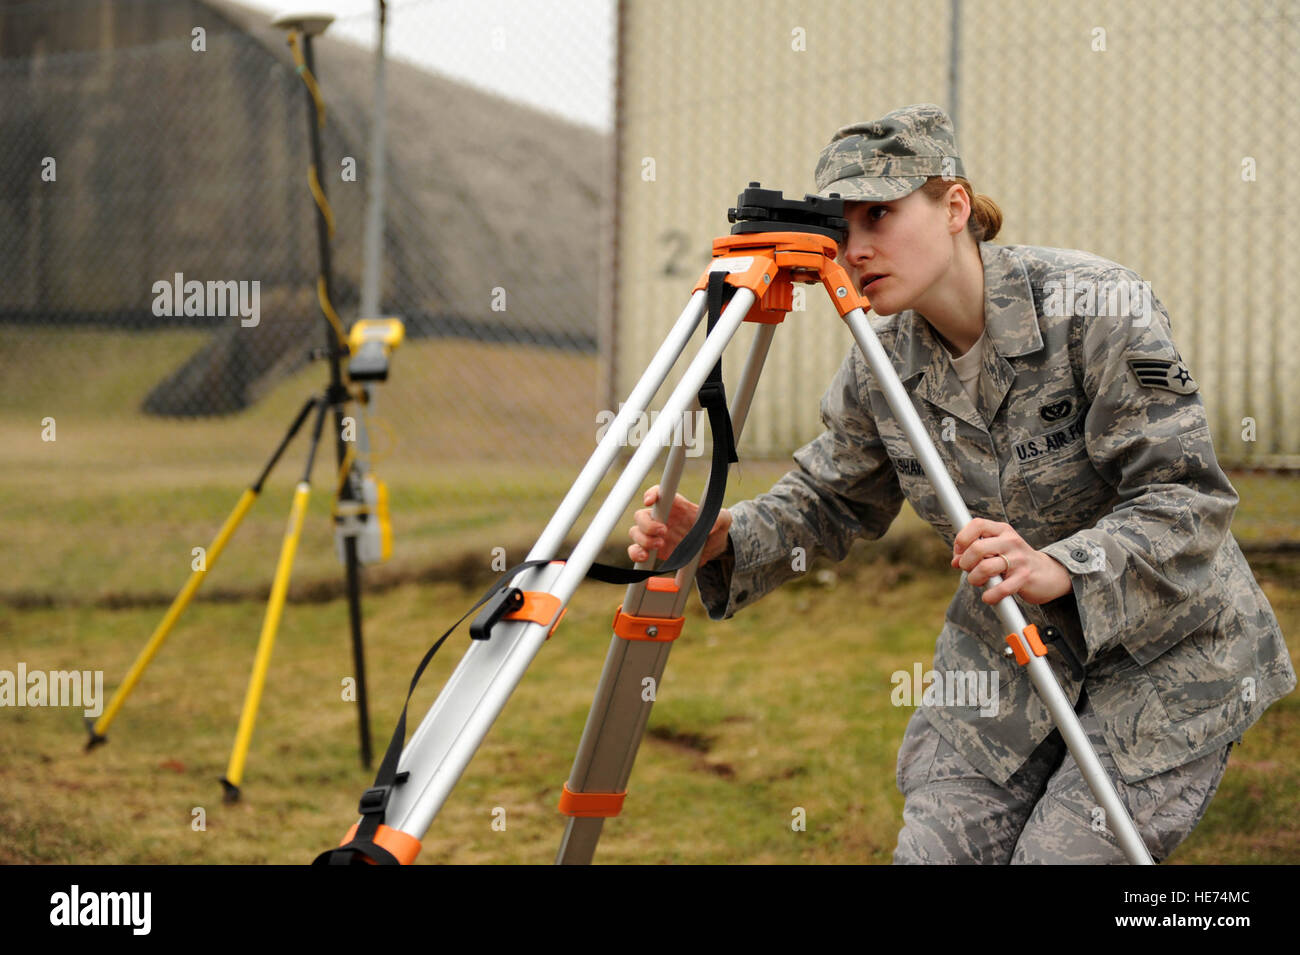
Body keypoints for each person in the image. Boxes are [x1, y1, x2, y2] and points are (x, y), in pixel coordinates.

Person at [627, 104, 1295, 864]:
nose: (859, 247)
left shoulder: (1097, 307)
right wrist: (725, 533)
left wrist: (1061, 566)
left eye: (879, 213)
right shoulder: (878, 366)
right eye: (842, 227)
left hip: (1166, 660)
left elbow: (1186, 498)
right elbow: (831, 497)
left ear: (954, 207)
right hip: (1002, 662)